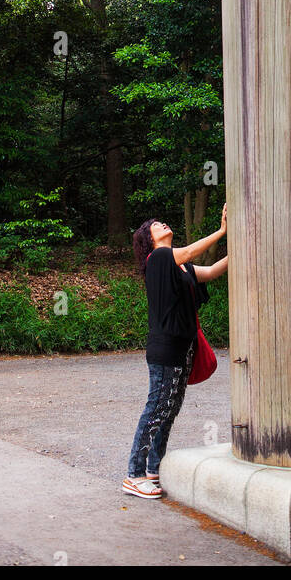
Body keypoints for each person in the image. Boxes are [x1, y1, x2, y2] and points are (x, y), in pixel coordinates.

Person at [123, 205, 228, 498]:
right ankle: (134, 474)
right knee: (156, 409)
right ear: (149, 238)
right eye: (155, 225)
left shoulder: (181, 267)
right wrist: (221, 231)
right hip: (165, 349)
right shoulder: (157, 258)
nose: (162, 224)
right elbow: (190, 252)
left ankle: (154, 469)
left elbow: (211, 271)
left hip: (183, 349)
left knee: (169, 411)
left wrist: (242, 245)